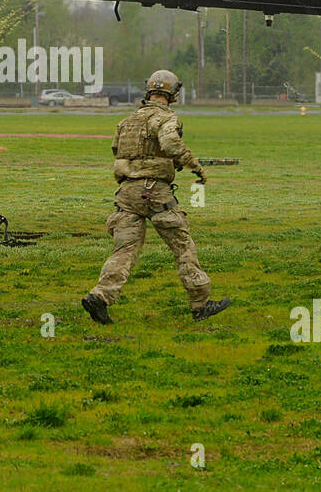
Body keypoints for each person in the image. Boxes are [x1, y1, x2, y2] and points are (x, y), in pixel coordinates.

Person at [81, 69, 230, 324]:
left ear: (148, 90)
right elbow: (171, 144)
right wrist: (194, 166)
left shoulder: (128, 121)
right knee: (182, 245)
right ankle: (200, 303)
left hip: (127, 192)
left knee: (125, 249)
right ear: (173, 94)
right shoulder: (166, 118)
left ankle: (100, 296)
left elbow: (118, 149)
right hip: (155, 192)